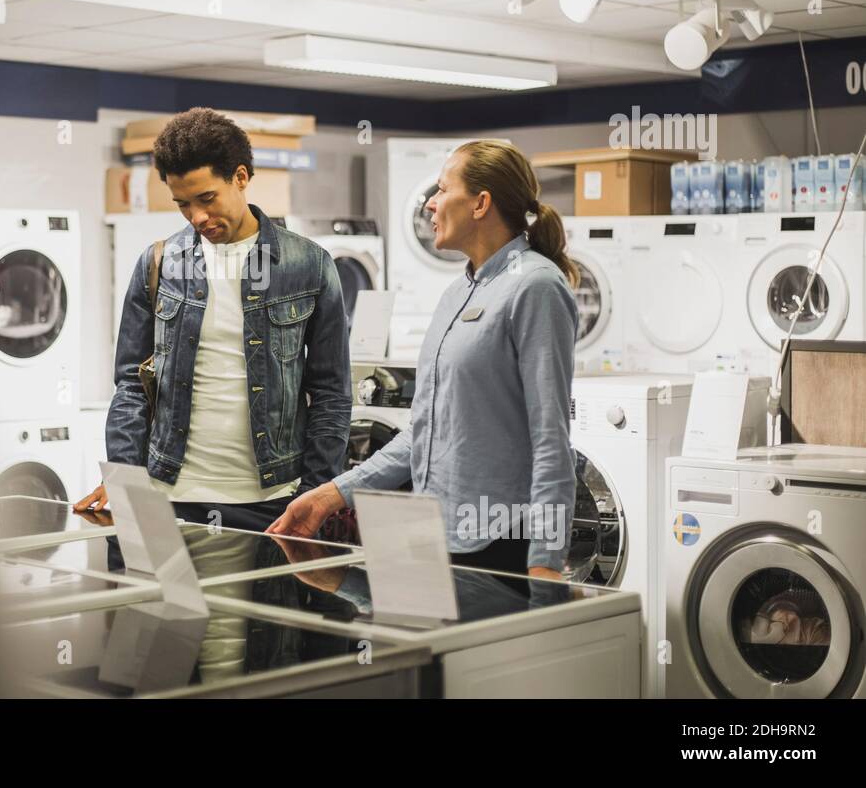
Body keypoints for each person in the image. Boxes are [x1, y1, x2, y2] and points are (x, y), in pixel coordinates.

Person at [269, 139, 579, 580]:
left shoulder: (536, 287)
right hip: (436, 536)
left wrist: (546, 560)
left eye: (442, 190)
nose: (431, 204)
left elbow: (551, 437)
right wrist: (330, 495)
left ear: (480, 203)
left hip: (502, 543)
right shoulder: (458, 292)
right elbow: (423, 434)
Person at [76, 107, 352, 532]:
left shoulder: (309, 266)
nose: (197, 217)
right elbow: (131, 384)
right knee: (152, 602)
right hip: (169, 496)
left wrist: (316, 493)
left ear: (240, 177)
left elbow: (331, 394)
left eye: (206, 199)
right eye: (183, 204)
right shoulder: (159, 264)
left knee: (272, 603)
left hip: (273, 500)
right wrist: (122, 476)